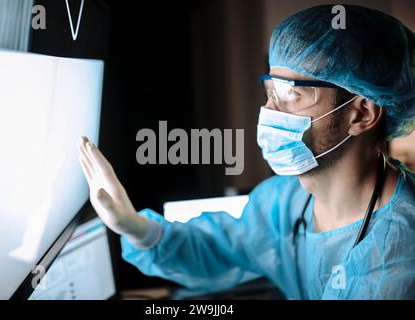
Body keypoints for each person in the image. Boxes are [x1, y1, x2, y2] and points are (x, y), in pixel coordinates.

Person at [77, 5, 415, 299]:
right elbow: (219, 246)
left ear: (362, 114)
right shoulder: (287, 203)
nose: (269, 109)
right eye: (270, 89)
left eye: (290, 94)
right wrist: (137, 227)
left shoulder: (399, 259)